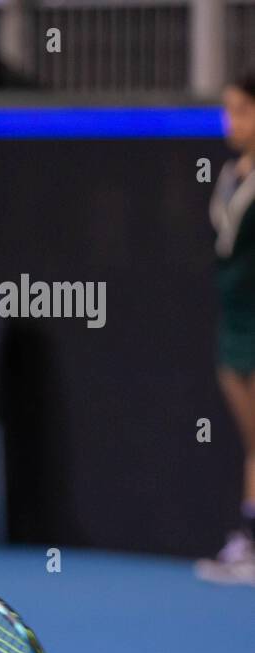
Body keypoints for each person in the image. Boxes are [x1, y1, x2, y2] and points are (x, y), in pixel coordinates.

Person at [196, 73, 255, 585]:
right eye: (227, 110)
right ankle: (250, 538)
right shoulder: (228, 175)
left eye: (241, 110)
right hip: (233, 321)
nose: (229, 122)